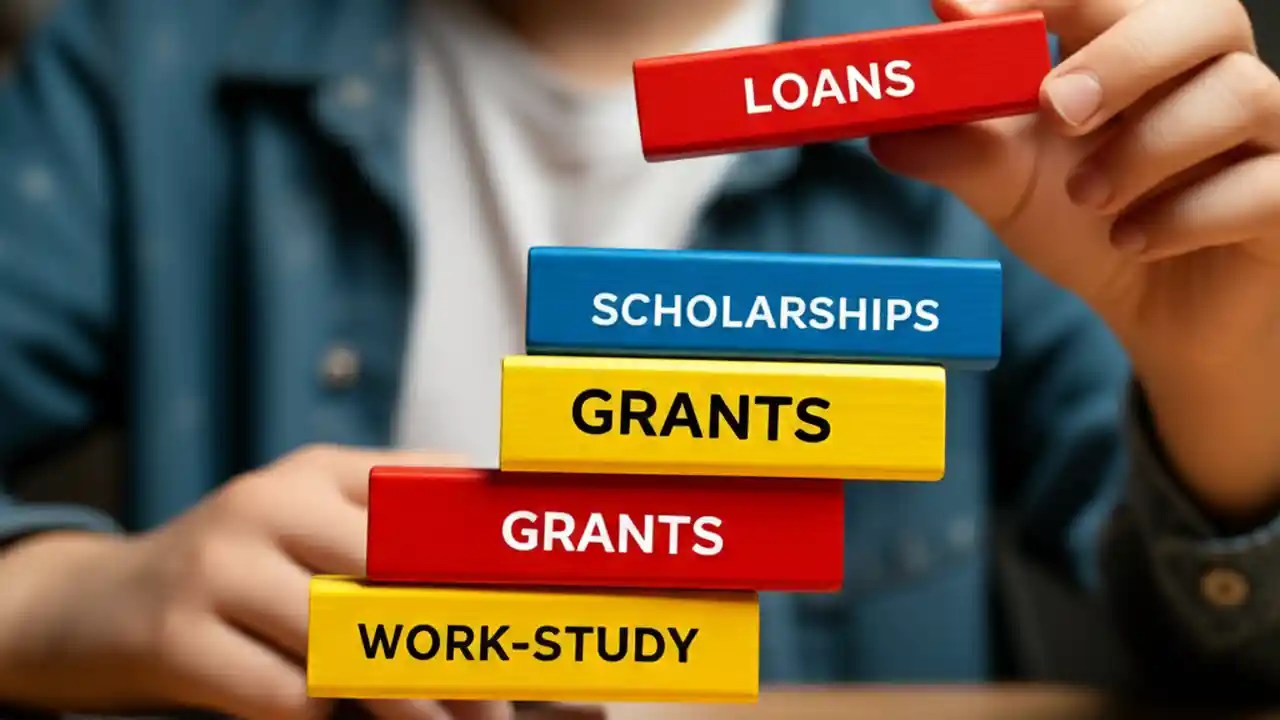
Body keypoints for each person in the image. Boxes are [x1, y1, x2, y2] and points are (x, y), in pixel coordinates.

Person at [0, 0, 1278, 717]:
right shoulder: (141, 65)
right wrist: (63, 600)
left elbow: (1221, 658)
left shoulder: (1019, 112)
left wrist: (1230, 382)